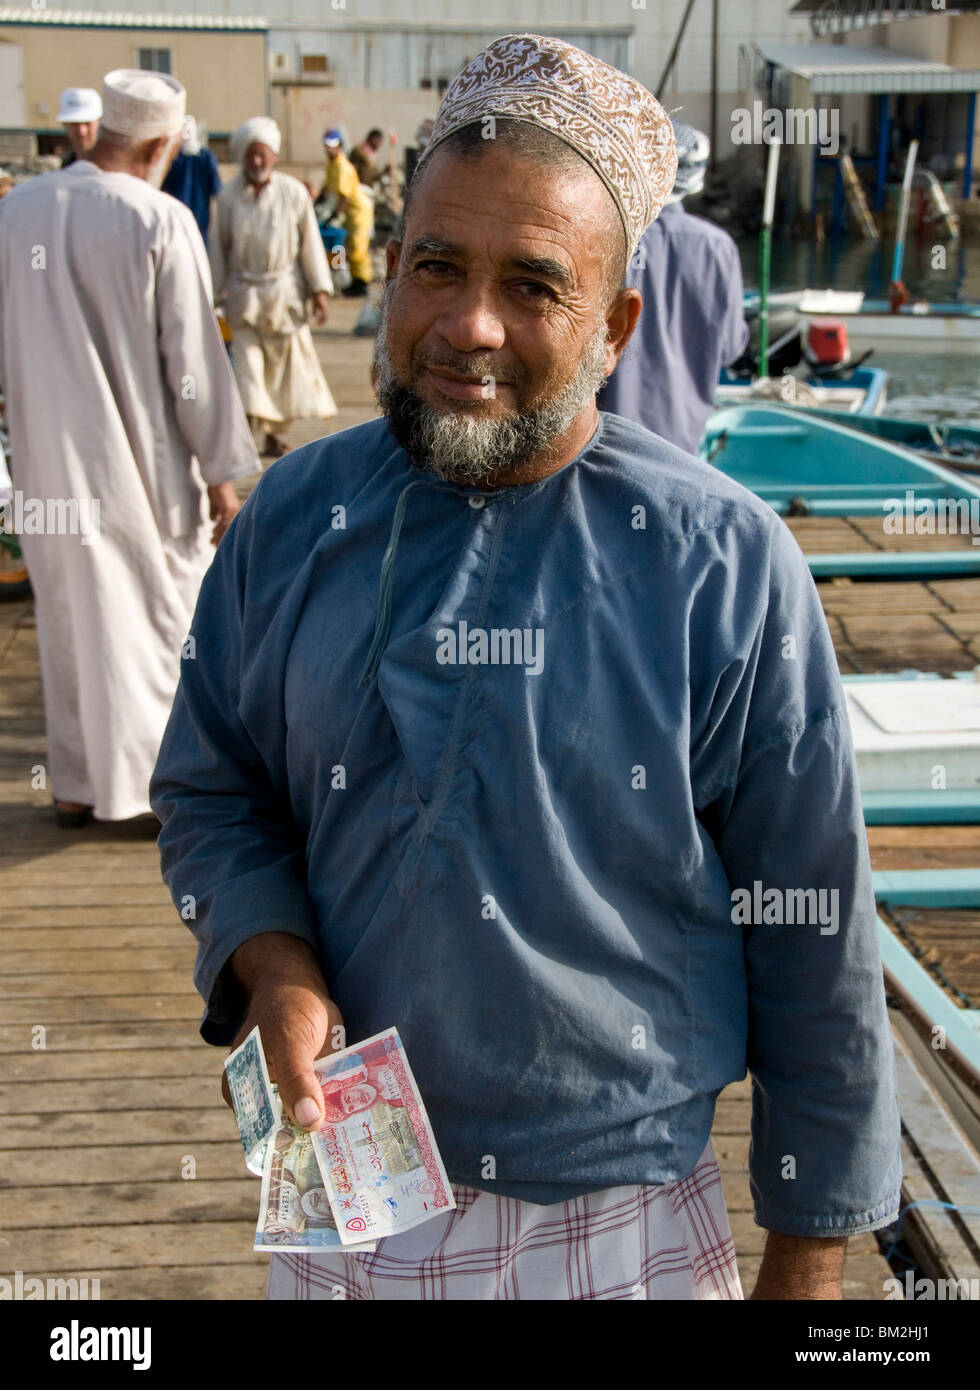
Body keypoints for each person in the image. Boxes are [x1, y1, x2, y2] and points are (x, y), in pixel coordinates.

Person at [151, 34, 901, 1302]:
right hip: (342, 1179)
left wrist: (809, 1252)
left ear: (614, 326)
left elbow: (810, 924)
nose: (468, 326)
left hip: (620, 1224)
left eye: (531, 285)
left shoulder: (721, 563)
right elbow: (213, 787)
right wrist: (268, 958)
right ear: (389, 270)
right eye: (435, 267)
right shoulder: (292, 517)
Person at [0, 69, 259, 827]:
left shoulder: (19, 212)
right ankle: (142, 793)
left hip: (43, 460)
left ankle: (77, 785)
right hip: (134, 471)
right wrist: (221, 475)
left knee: (71, 623)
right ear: (157, 144)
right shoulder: (159, 219)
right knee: (148, 626)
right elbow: (194, 365)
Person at [598, 120, 749, 454]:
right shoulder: (718, 247)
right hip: (683, 444)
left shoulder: (609, 239)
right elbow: (731, 348)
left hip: (607, 442)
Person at [211, 117, 337, 460]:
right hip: (244, 296)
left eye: (262, 154)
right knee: (248, 368)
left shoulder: (294, 193)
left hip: (285, 297)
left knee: (283, 373)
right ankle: (251, 433)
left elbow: (310, 244)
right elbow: (218, 249)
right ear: (242, 157)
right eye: (251, 154)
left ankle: (271, 437)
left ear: (274, 156)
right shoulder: (227, 197)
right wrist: (212, 294)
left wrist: (319, 291)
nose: (256, 161)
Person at [321, 129, 373, 298]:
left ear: (339, 146)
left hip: (358, 210)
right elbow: (327, 188)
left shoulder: (342, 167)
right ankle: (346, 281)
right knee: (346, 246)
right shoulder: (332, 165)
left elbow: (343, 195)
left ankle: (361, 284)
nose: (329, 150)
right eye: (326, 147)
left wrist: (334, 215)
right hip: (347, 211)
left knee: (358, 248)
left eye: (332, 147)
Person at [162, 116, 221, 246]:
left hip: (184, 223)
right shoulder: (205, 157)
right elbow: (217, 191)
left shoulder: (173, 158)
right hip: (190, 224)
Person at [58, 87, 102, 167]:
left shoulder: (116, 166)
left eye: (87, 123)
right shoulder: (65, 167)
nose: (82, 131)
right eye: (75, 123)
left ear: (99, 121)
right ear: (64, 125)